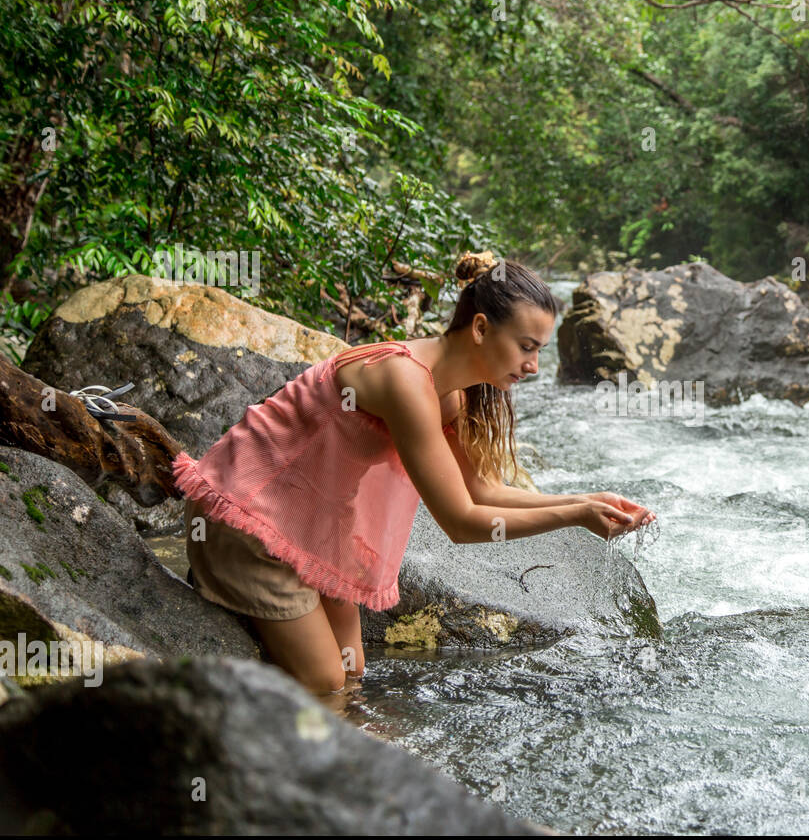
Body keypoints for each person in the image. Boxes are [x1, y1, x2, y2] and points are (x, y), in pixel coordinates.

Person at [171, 251, 656, 696]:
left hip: (310, 530)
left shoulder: (449, 394)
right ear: (482, 329)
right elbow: (461, 520)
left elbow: (481, 488)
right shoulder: (405, 380)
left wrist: (589, 499)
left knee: (352, 671)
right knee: (326, 683)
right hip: (245, 517)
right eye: (526, 347)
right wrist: (575, 516)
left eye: (539, 352)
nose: (532, 367)